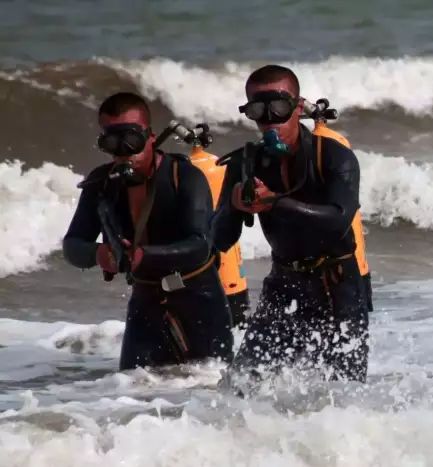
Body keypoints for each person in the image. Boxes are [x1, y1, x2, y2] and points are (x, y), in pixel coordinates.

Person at [211, 65, 372, 382]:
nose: (271, 120)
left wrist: (276, 202)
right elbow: (219, 241)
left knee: (344, 393)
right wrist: (232, 206)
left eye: (279, 108)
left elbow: (338, 221)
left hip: (338, 286)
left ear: (298, 108)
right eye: (259, 112)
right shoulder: (246, 163)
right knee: (240, 386)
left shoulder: (334, 157)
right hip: (283, 287)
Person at [62, 92, 233, 370]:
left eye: (132, 139)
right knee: (131, 388)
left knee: (210, 385)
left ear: (151, 137)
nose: (124, 150)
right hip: (145, 301)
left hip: (199, 298)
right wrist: (99, 254)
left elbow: (200, 245)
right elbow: (72, 245)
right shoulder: (101, 184)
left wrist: (145, 256)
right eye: (112, 142)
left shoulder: (184, 176)